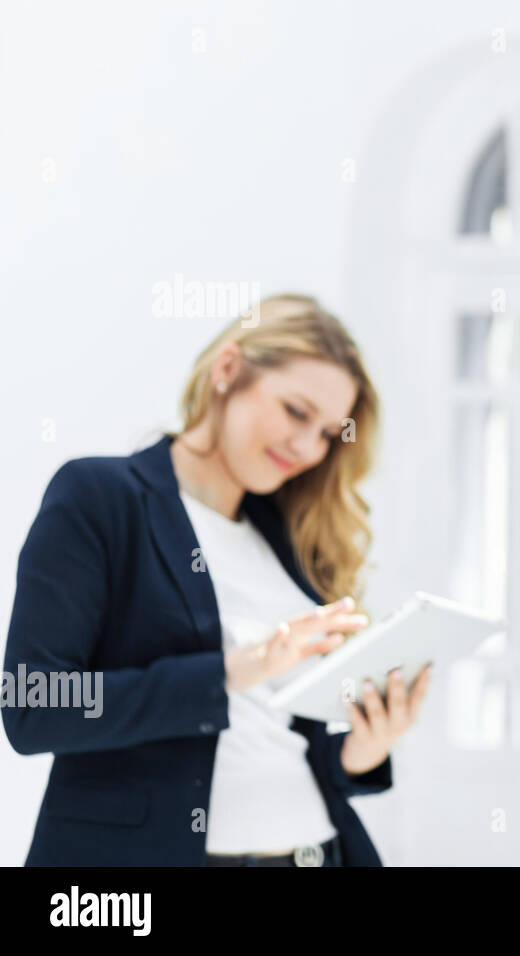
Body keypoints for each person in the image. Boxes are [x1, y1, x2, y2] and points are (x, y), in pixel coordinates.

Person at [3, 293, 432, 866]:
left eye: (329, 433)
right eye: (296, 412)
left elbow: (282, 740)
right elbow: (34, 704)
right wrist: (233, 671)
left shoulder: (292, 542)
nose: (308, 448)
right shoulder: (101, 499)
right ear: (228, 370)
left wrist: (360, 750)